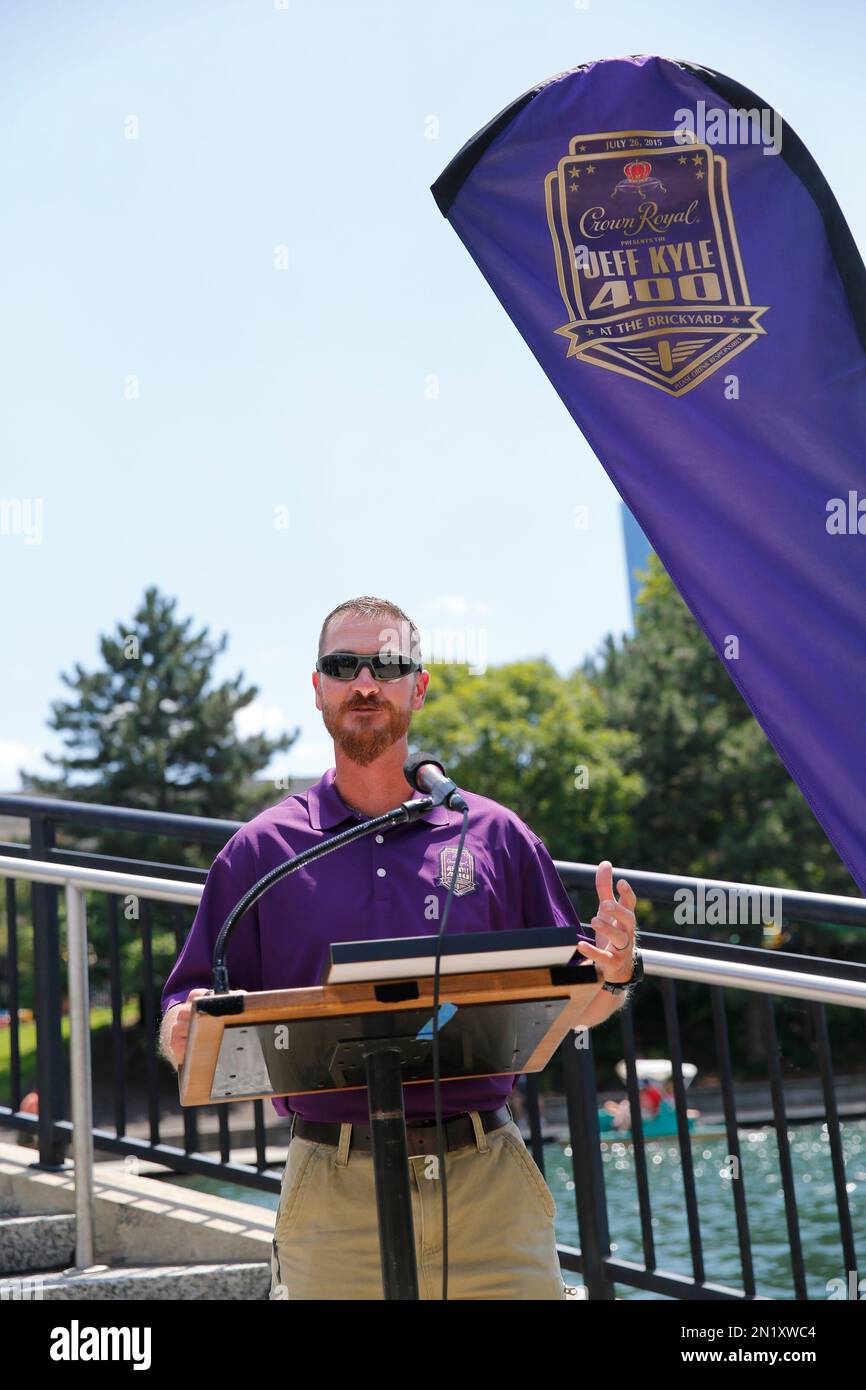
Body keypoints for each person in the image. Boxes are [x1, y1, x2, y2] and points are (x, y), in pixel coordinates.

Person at [158, 596, 640, 1301]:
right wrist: (184, 1025)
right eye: (342, 664)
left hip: (488, 1188)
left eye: (386, 664)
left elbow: (578, 998)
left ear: (418, 686)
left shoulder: (495, 835)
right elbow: (187, 1011)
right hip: (334, 1196)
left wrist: (617, 973)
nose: (364, 682)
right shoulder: (260, 852)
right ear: (317, 687)